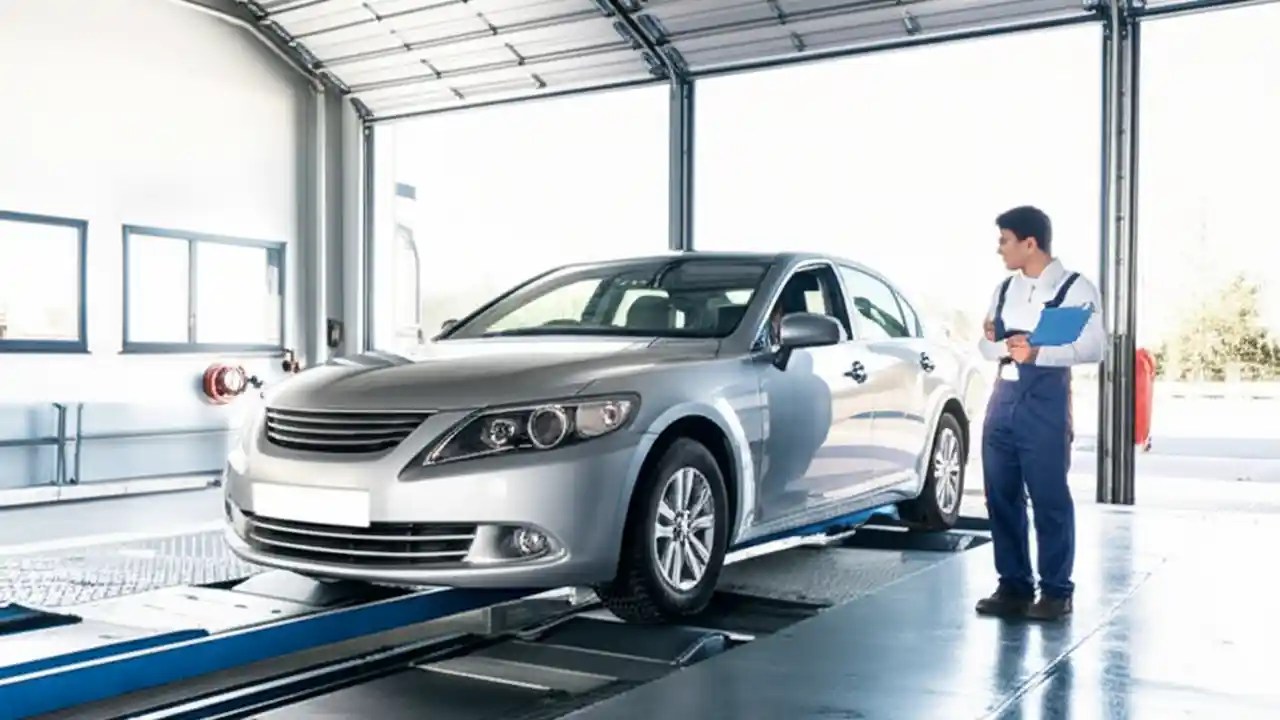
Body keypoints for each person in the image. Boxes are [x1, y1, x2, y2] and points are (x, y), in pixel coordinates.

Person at [974, 205, 1104, 621]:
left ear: (1030, 243)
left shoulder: (1074, 288)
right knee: (1001, 494)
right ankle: (1013, 585)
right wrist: (997, 341)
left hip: (1045, 402)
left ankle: (1056, 591)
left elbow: (1093, 349)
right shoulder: (1004, 289)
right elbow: (987, 347)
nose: (999, 249)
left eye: (1004, 240)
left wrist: (1038, 352)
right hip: (1002, 399)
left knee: (1048, 498)